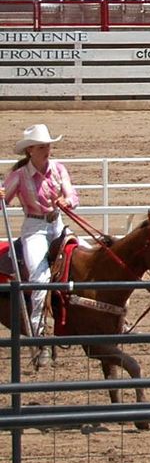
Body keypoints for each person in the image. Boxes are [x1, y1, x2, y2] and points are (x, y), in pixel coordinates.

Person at [3, 125, 80, 340]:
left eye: (48, 145)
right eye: (41, 147)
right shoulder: (19, 176)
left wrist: (67, 201)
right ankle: (38, 331)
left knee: (89, 257)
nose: (47, 150)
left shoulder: (58, 169)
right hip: (34, 229)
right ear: (30, 150)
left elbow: (72, 195)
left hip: (58, 225)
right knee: (40, 276)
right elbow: (3, 200)